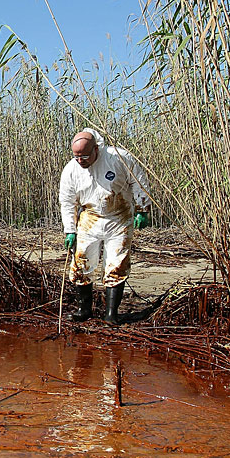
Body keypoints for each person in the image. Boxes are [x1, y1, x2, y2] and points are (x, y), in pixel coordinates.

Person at [59, 128, 151, 325]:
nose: (81, 160)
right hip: (89, 218)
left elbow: (139, 181)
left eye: (84, 155)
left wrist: (143, 209)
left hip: (119, 217)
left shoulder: (118, 158)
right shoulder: (71, 170)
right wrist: (70, 230)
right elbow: (67, 201)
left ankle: (111, 314)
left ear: (96, 149)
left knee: (116, 263)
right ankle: (84, 310)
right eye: (76, 156)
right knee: (81, 263)